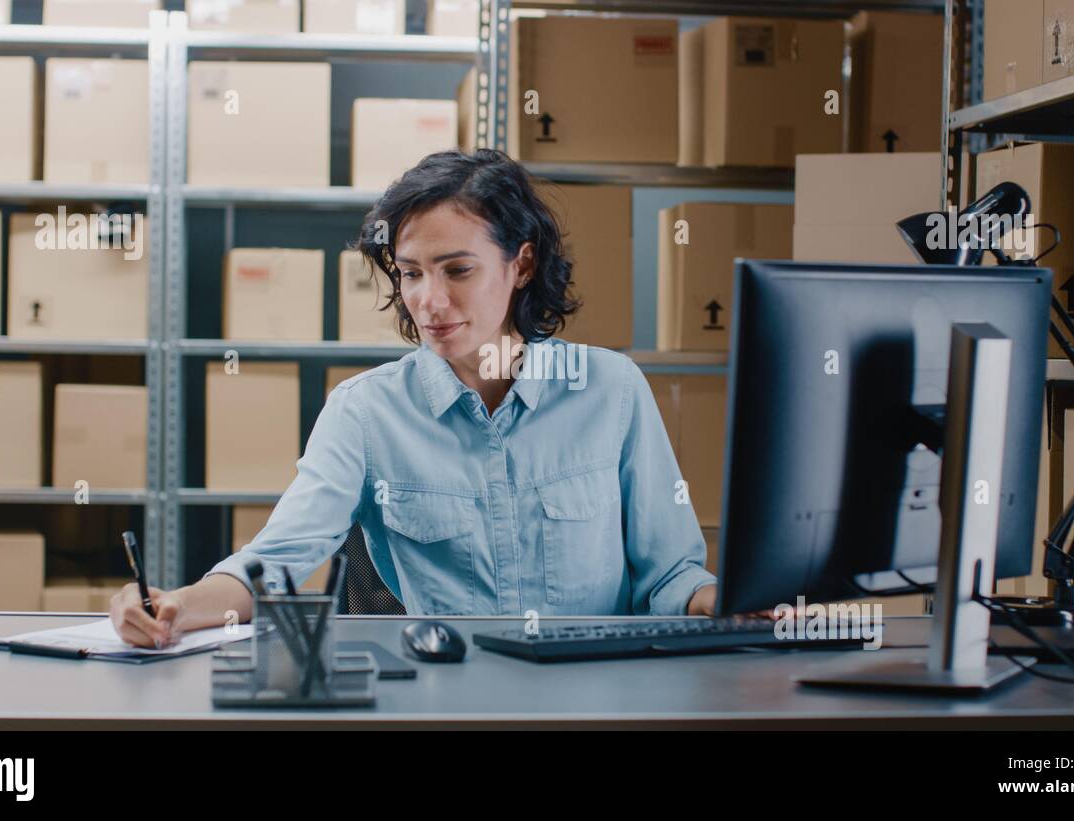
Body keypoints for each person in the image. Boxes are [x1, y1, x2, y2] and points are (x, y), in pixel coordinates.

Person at [110, 148, 718, 648]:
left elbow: (670, 575)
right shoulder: (366, 413)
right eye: (410, 273)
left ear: (522, 265)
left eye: (457, 270)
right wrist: (176, 606)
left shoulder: (611, 391)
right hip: (450, 699)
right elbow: (278, 562)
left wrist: (735, 602)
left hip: (596, 700)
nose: (428, 300)